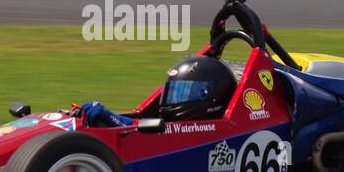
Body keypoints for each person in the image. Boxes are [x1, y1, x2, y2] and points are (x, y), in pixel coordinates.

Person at [78, 54, 238, 127]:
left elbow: (144, 134)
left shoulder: (201, 133)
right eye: (174, 90)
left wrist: (113, 119)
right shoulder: (173, 125)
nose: (173, 99)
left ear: (209, 96)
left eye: (184, 91)